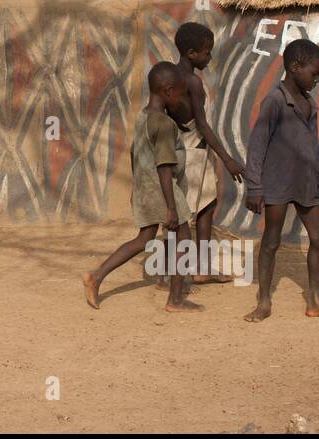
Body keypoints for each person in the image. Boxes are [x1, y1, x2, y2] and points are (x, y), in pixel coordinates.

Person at [243, 38, 319, 322]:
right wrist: (254, 187)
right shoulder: (275, 101)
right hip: (277, 184)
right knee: (271, 241)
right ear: (295, 67)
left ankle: (317, 299)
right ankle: (264, 301)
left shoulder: (309, 104)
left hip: (305, 183)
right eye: (314, 73)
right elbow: (257, 145)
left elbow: (313, 150)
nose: (317, 79)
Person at [83, 62, 202, 313]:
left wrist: (136, 187)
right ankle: (176, 299)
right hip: (165, 189)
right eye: (180, 93)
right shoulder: (164, 125)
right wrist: (171, 207)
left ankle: (96, 276)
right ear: (168, 91)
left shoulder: (143, 117)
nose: (182, 99)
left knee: (144, 239)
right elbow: (164, 166)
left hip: (148, 188)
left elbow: (134, 153)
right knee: (183, 237)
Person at [172, 21, 245, 282]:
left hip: (180, 150)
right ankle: (177, 276)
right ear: (191, 53)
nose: (209, 57)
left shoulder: (168, 76)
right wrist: (228, 160)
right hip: (194, 152)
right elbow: (201, 125)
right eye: (206, 52)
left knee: (205, 207)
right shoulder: (193, 82)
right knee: (184, 215)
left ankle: (200, 269)